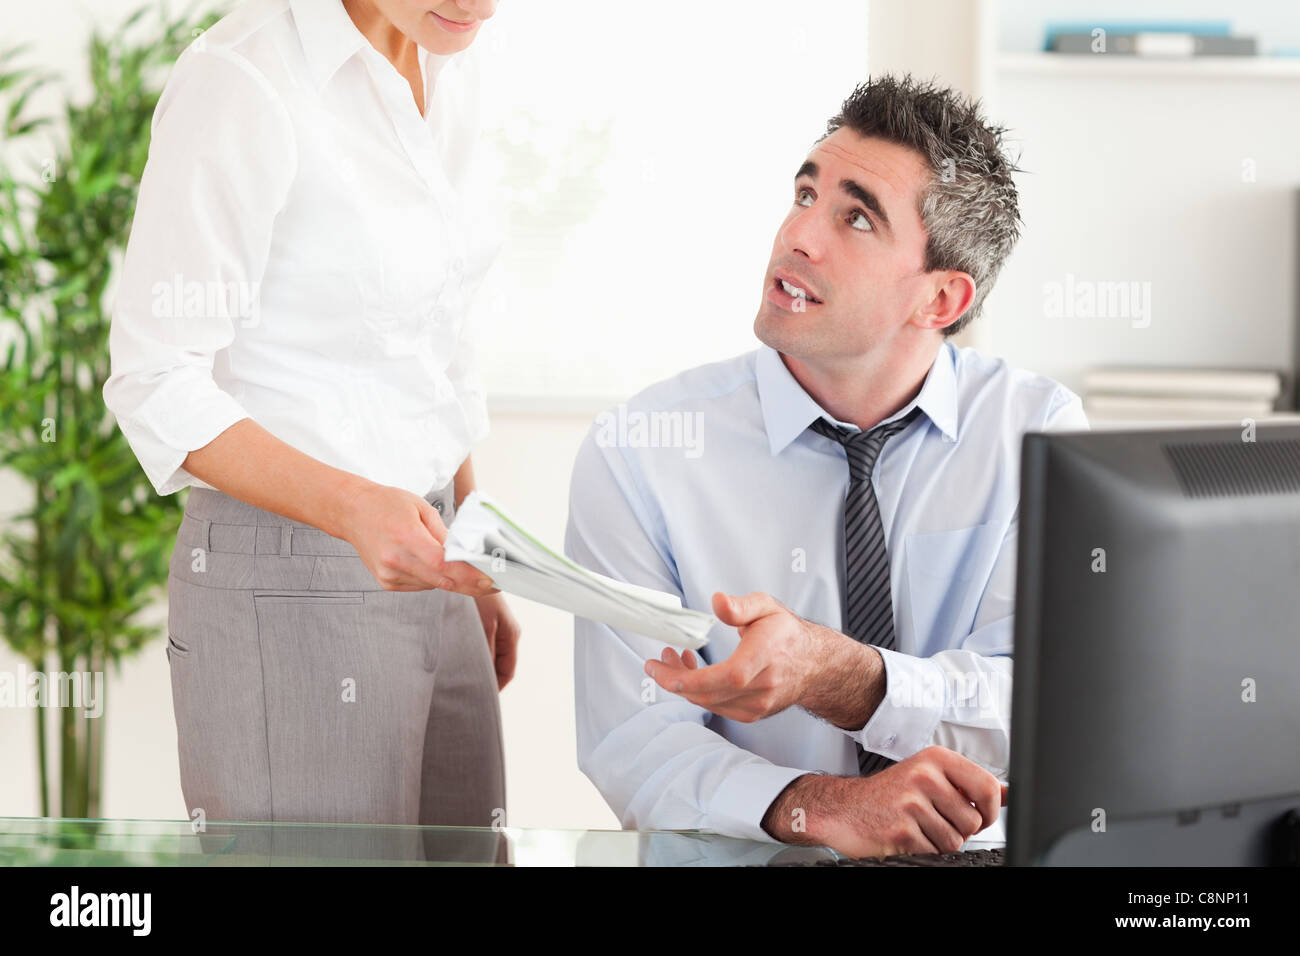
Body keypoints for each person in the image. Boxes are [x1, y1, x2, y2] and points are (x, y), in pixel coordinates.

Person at [565, 74, 1090, 858]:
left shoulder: (1036, 434)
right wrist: (823, 808)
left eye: (856, 217)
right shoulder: (642, 447)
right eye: (806, 193)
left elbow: (1053, 710)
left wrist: (840, 675)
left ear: (941, 300)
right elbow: (633, 743)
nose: (799, 236)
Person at [103, 0, 516, 829]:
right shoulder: (244, 77)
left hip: (431, 550)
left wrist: (468, 527)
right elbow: (154, 376)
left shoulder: (447, 67)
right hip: (291, 569)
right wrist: (357, 510)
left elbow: (433, 342)